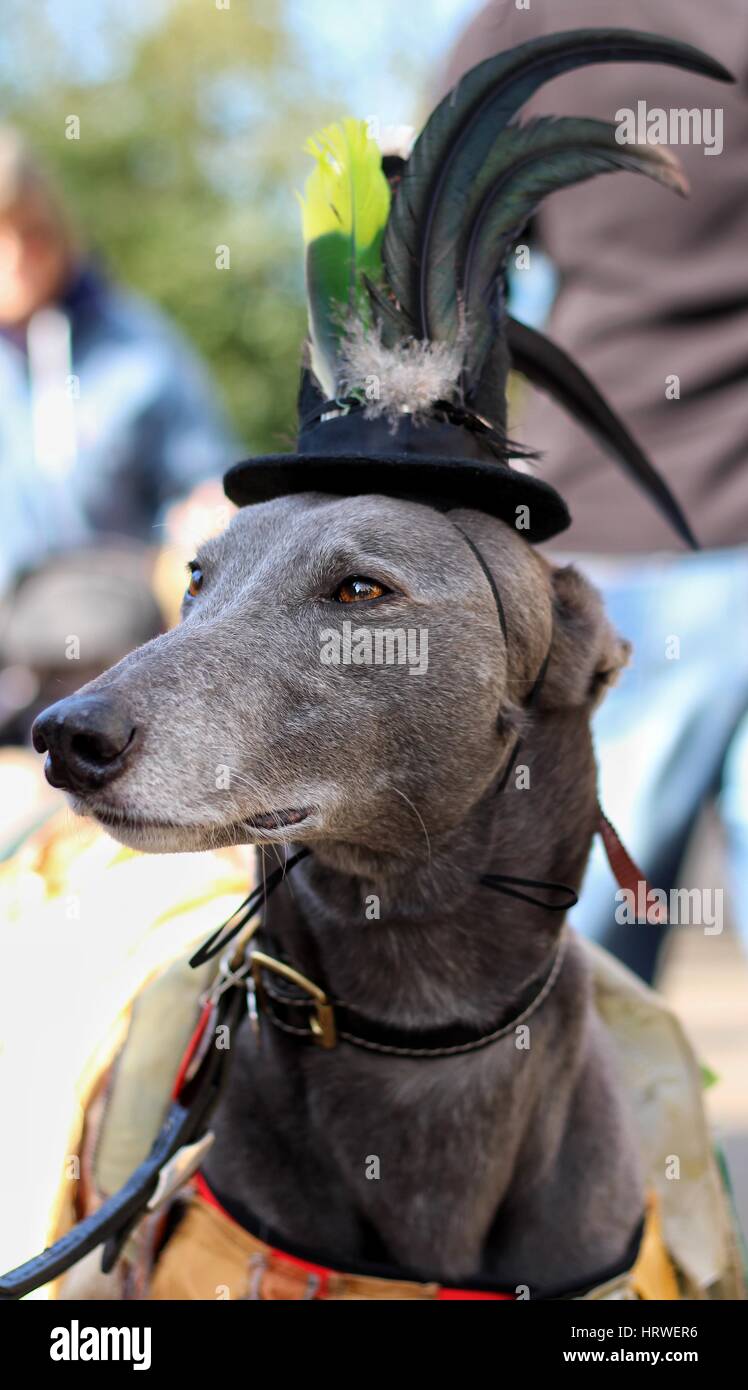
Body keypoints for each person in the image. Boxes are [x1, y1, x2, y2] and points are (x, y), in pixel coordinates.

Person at [439, 0, 748, 980]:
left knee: (568, 971)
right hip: (616, 546)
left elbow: (436, 278)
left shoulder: (520, 25)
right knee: (569, 963)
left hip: (606, 529)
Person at [0, 127, 237, 599]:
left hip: (116, 642)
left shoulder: (137, 349)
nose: (17, 258)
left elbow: (206, 487)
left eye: (32, 234)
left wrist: (202, 520)